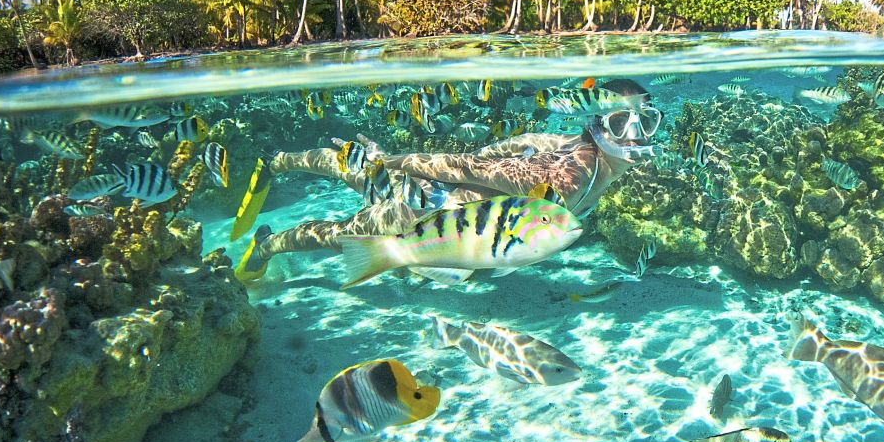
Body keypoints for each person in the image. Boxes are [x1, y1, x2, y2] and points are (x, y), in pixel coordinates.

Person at [233, 78, 661, 283]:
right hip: (425, 212)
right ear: (598, 124)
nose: (636, 135)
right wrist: (397, 162)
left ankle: (277, 162)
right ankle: (268, 244)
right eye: (622, 122)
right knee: (341, 232)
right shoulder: (570, 179)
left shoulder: (570, 144)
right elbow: (469, 167)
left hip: (442, 214)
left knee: (357, 172)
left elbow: (512, 146)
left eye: (648, 121)